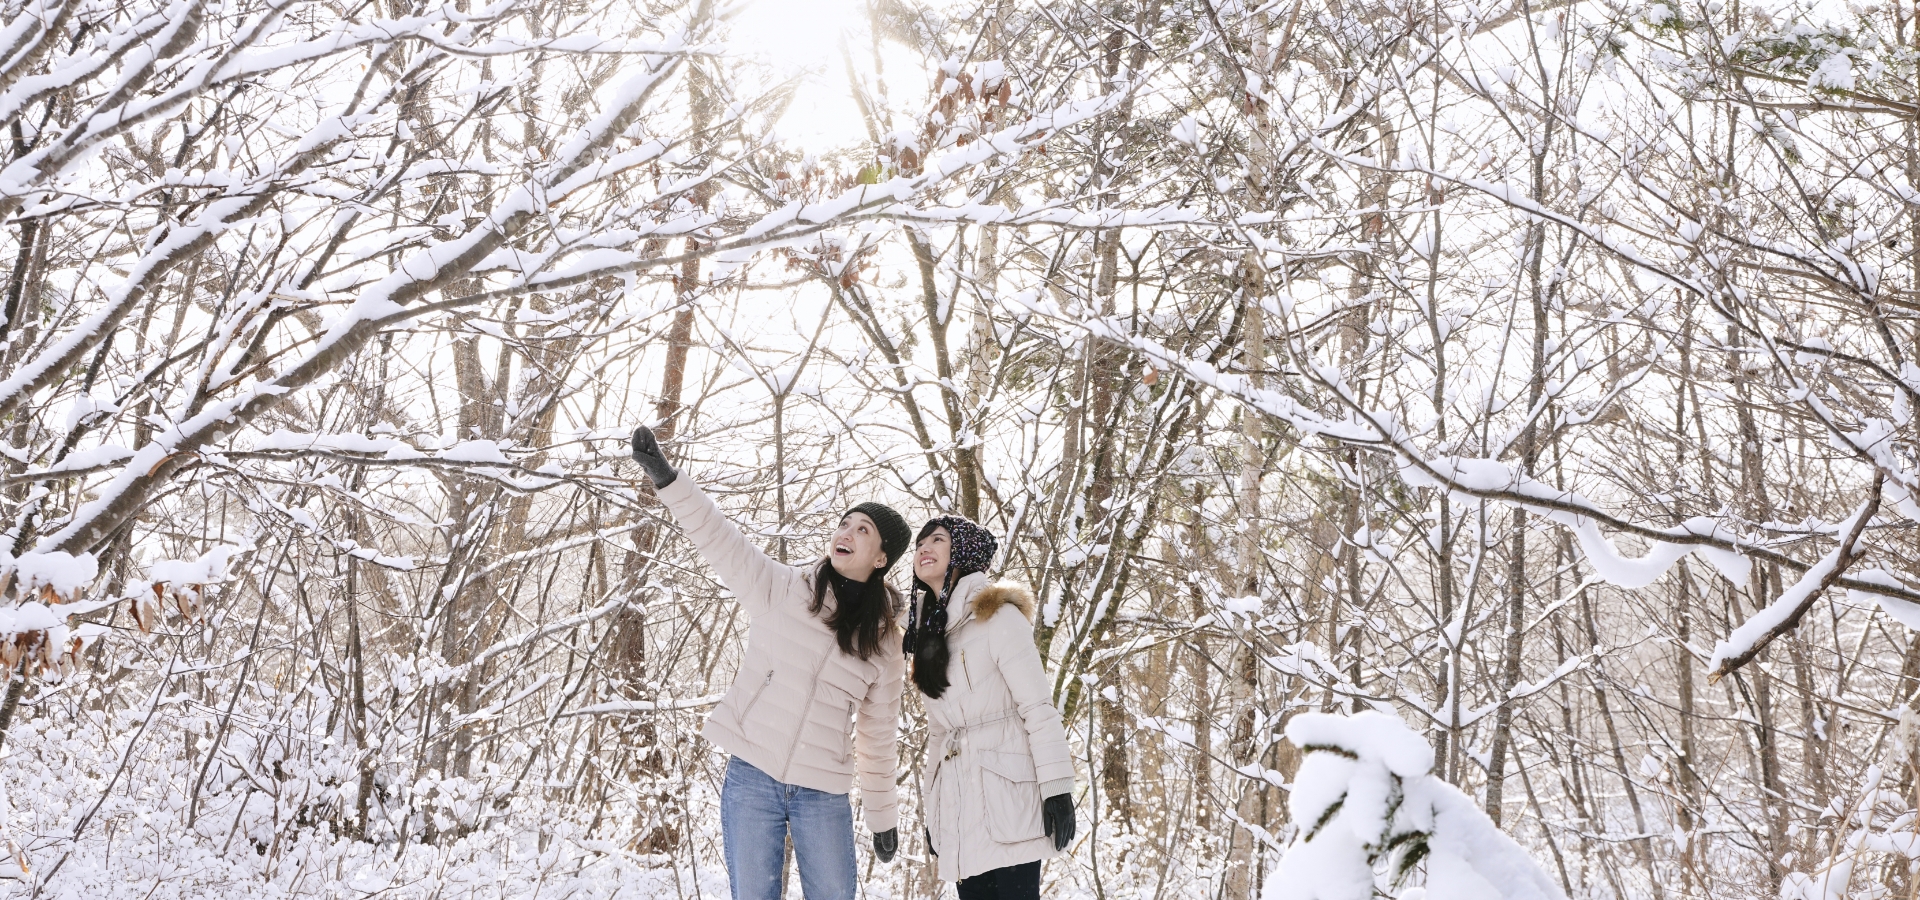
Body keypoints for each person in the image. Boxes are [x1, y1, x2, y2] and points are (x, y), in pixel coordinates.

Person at [630, 425, 907, 900]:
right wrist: (667, 479)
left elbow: (877, 736)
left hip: (823, 793)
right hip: (753, 777)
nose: (847, 533)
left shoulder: (884, 642)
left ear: (881, 558)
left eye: (864, 530)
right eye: (845, 523)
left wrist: (882, 817)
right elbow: (720, 540)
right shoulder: (781, 589)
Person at [904, 515, 1076, 900]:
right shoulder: (927, 633)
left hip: (1008, 799)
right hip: (960, 808)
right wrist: (934, 813)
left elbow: (1037, 706)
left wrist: (1057, 788)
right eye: (919, 544)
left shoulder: (997, 615)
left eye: (937, 540)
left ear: (962, 552)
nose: (923, 549)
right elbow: (938, 734)